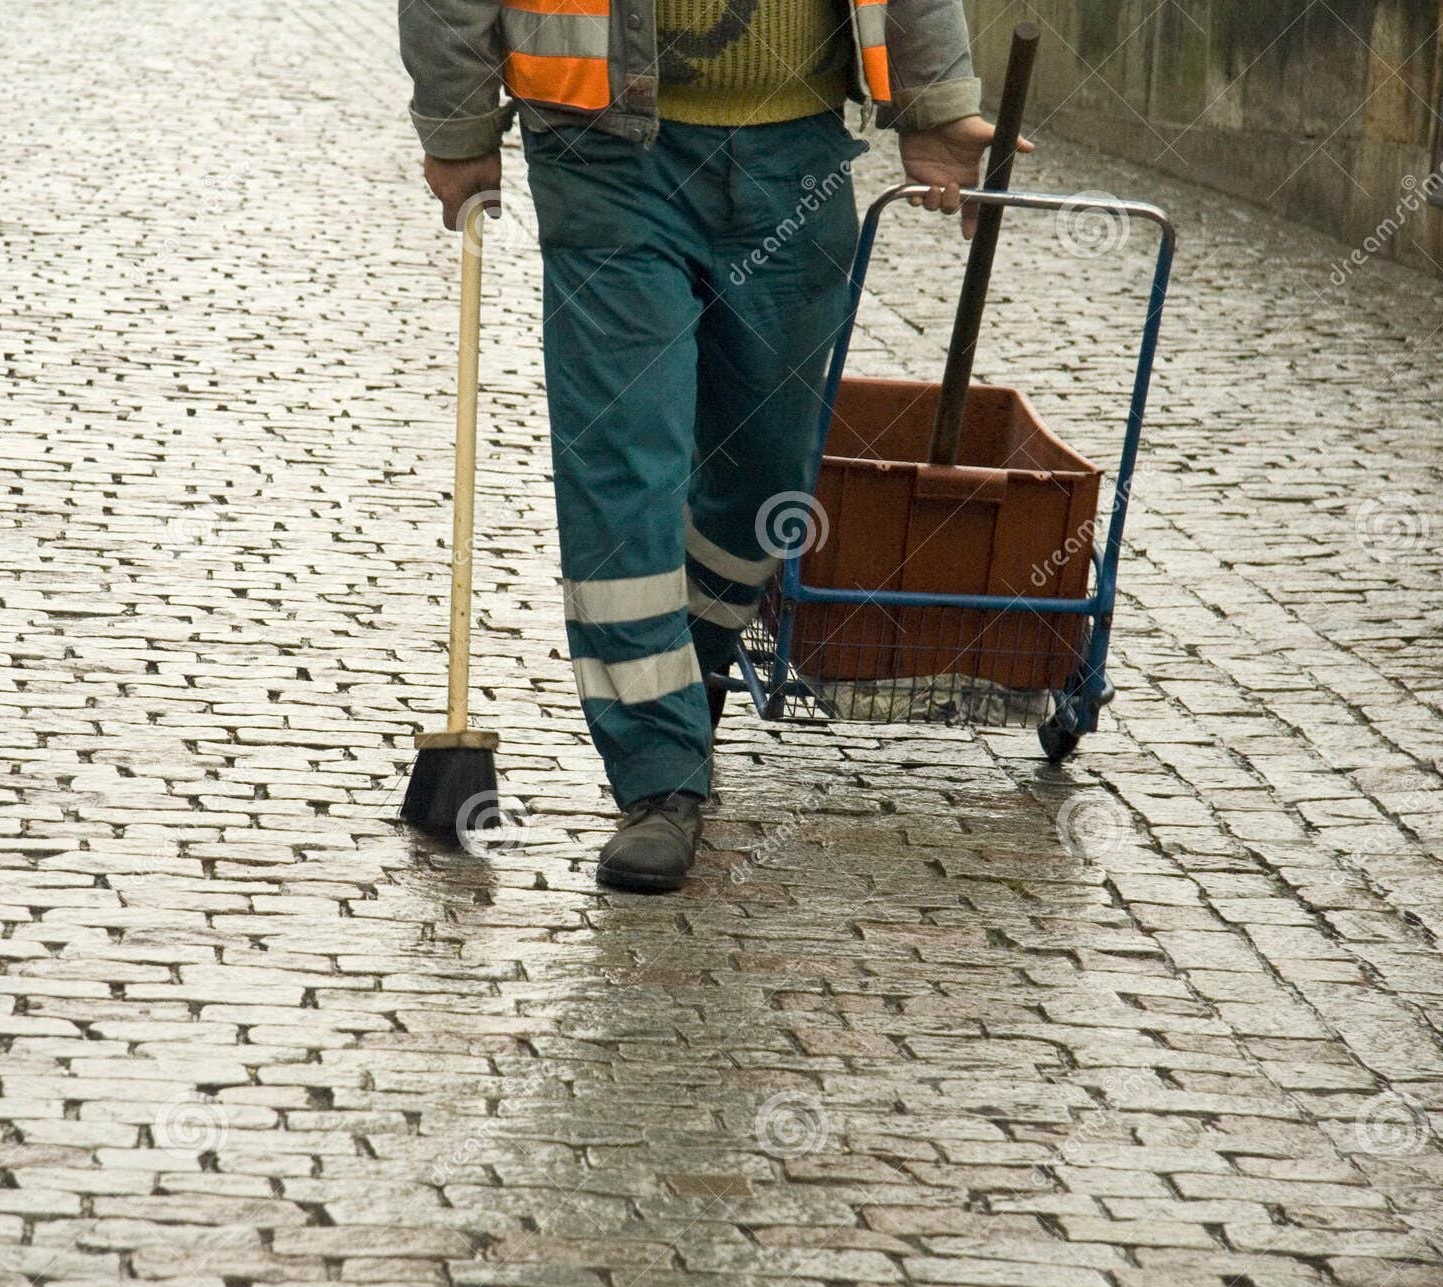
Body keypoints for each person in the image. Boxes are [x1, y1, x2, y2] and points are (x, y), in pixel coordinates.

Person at [400, 0, 1022, 891]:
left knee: (766, 473)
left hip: (797, 157)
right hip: (604, 153)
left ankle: (691, 667)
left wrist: (933, 100)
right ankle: (660, 776)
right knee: (625, 460)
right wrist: (457, 121)